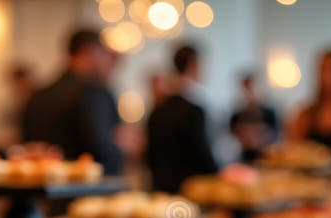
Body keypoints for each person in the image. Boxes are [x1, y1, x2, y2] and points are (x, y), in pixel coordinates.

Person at [21, 29, 123, 175]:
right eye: (104, 53)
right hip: (88, 183)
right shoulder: (94, 92)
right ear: (90, 51)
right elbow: (102, 149)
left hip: (42, 182)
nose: (107, 60)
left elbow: (29, 147)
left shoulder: (38, 95)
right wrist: (120, 149)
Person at [146, 44, 218, 194]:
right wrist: (221, 174)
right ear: (193, 64)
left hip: (160, 190)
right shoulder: (193, 111)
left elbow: (149, 157)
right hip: (189, 192)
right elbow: (202, 155)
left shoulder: (157, 110)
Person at [229, 72, 278, 164]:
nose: (249, 93)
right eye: (246, 89)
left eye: (251, 88)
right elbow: (231, 138)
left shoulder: (270, 113)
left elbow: (276, 135)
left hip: (268, 157)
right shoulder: (236, 115)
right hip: (244, 157)